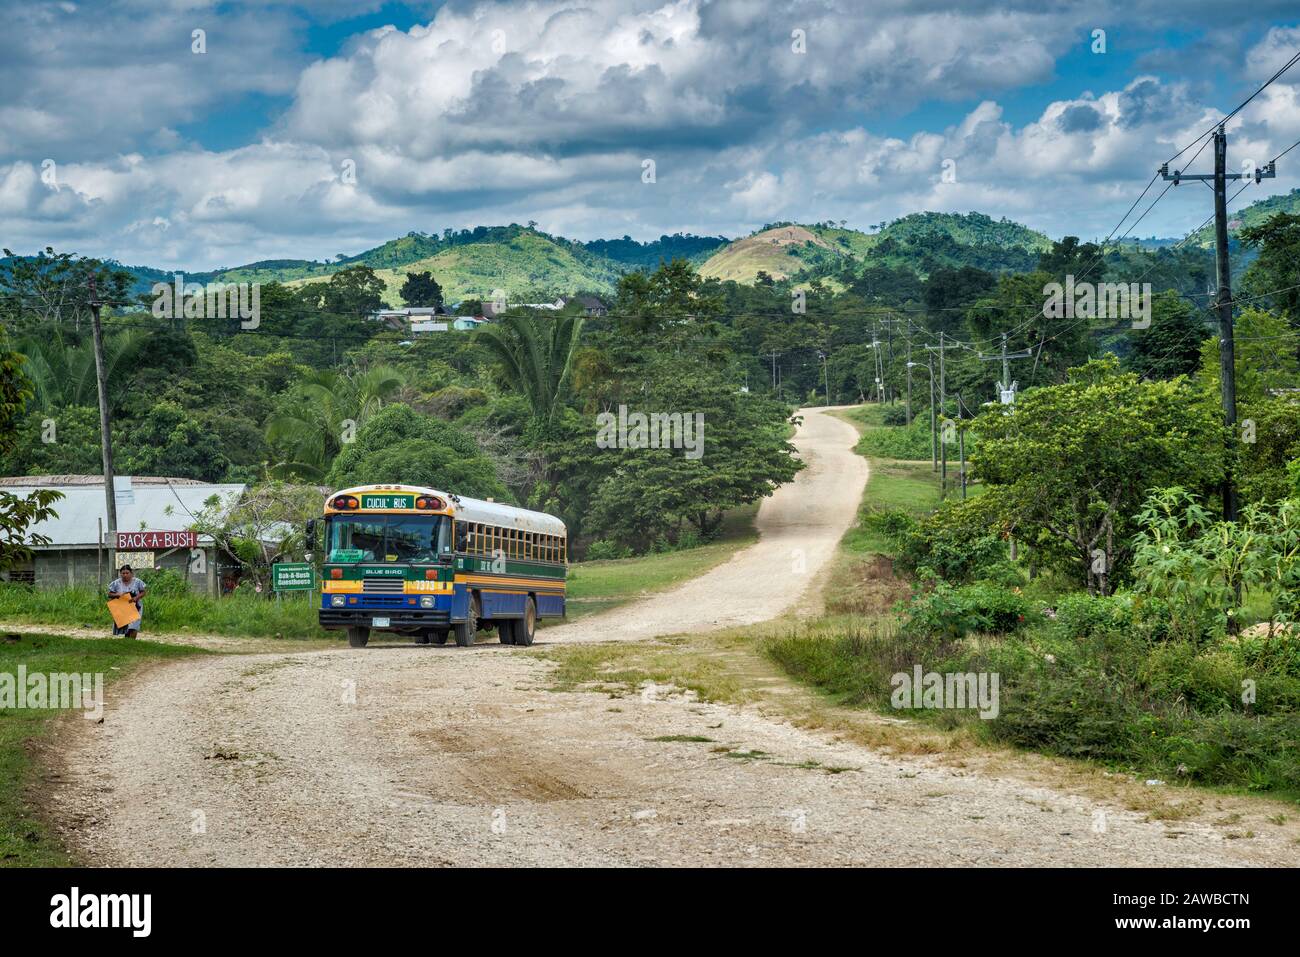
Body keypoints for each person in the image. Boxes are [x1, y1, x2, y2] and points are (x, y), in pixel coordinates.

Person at [107, 564, 147, 638]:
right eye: (123, 573)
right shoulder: (116, 583)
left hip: (136, 607)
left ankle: (132, 643)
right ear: (120, 574)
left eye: (127, 573)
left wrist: (136, 597)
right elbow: (109, 594)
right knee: (127, 627)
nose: (125, 575)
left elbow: (143, 592)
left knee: (134, 626)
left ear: (131, 573)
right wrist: (118, 594)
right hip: (123, 607)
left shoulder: (137, 582)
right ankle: (127, 642)